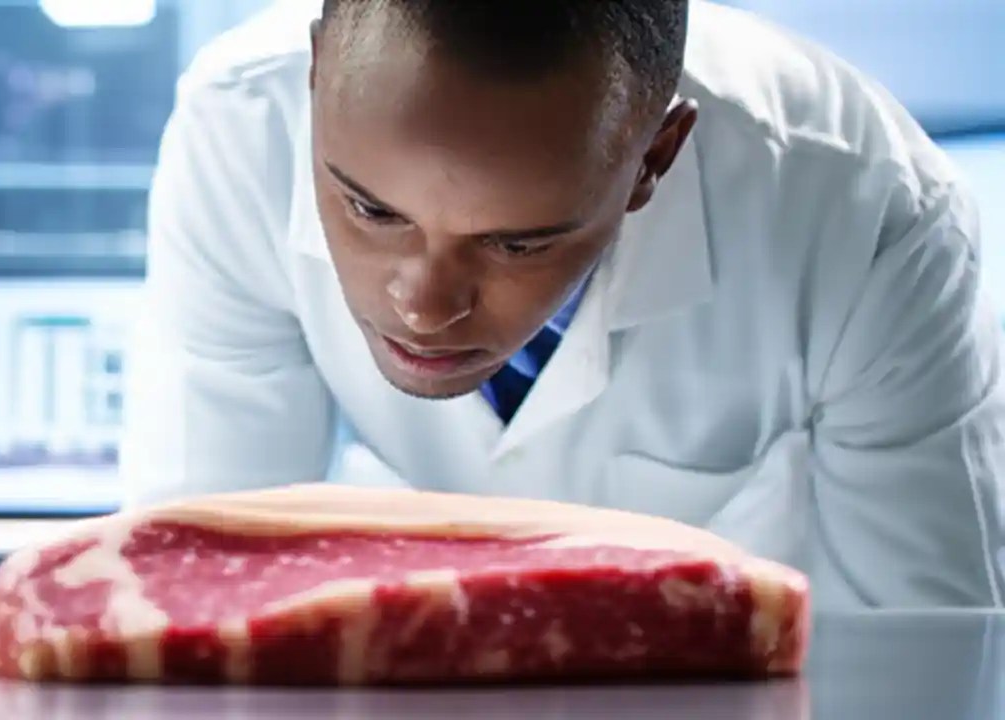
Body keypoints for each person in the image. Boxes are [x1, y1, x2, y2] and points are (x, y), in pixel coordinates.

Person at [120, 0, 1005, 610]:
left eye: (517, 242)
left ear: (656, 156)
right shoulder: (239, 129)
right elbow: (198, 576)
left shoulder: (872, 216)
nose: (423, 309)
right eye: (371, 209)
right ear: (317, 77)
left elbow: (924, 642)